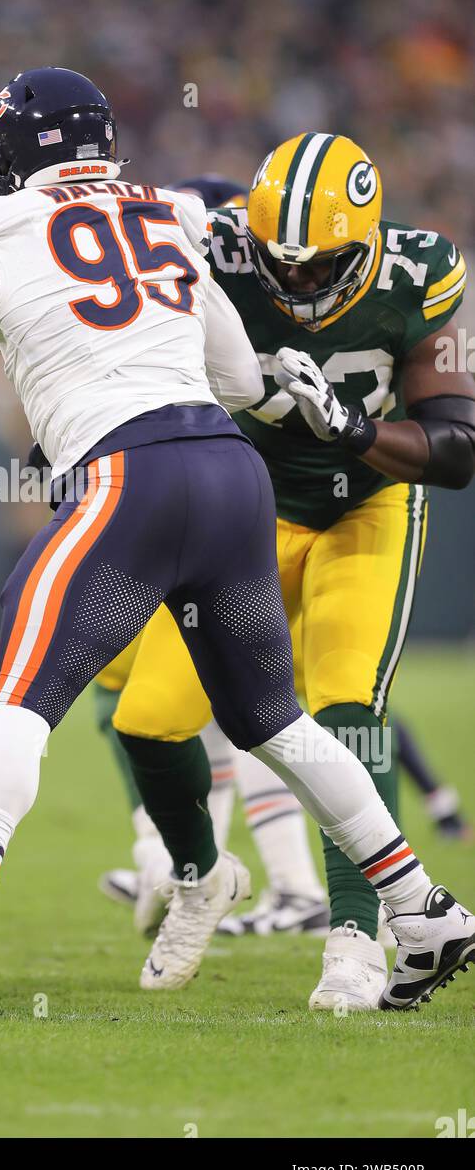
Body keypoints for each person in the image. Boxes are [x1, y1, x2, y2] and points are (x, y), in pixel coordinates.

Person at [0, 67, 474, 1014]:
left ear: (13, 151)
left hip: (127, 477)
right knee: (278, 724)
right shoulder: (167, 217)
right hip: (233, 475)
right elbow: (236, 375)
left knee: (19, 698)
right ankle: (421, 904)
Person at [109, 134, 475, 1007]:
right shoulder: (220, 248)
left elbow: (456, 450)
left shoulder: (416, 272)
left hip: (367, 505)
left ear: (365, 243)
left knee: (349, 708)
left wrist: (353, 430)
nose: (301, 283)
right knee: (148, 721)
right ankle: (203, 878)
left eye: (322, 268)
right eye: (285, 264)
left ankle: (358, 938)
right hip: (248, 512)